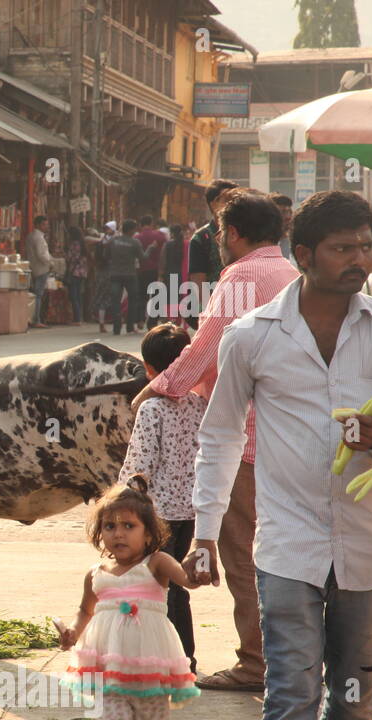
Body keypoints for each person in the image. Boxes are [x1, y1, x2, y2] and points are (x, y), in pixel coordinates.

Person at [189, 190, 372, 720]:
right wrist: (202, 530)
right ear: (304, 256)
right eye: (344, 248)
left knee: (355, 694)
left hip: (370, 541)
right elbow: (219, 436)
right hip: (286, 544)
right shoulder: (252, 336)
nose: (361, 259)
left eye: (367, 246)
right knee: (290, 694)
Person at [134, 189, 298, 693]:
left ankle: (256, 663)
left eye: (220, 232)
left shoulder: (241, 278)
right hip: (290, 438)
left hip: (244, 440)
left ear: (231, 233)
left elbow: (206, 348)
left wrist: (156, 389)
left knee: (244, 557)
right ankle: (293, 660)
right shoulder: (291, 274)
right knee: (285, 554)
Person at [57, 478, 198, 720]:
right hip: (108, 675)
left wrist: (200, 567)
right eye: (110, 525)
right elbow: (85, 612)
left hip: (150, 675)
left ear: (149, 531)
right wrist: (71, 632)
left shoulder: (157, 563)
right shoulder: (96, 573)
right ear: (99, 531)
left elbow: (188, 580)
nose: (118, 533)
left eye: (128, 525)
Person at [119, 324, 203, 672]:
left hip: (159, 515)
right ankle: (184, 657)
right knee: (175, 584)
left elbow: (140, 464)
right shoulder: (199, 403)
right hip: (191, 512)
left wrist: (121, 503)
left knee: (154, 585)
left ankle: (163, 659)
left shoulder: (151, 409)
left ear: (149, 369)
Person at [187, 179, 239, 297]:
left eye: (235, 199)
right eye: (227, 199)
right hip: (214, 308)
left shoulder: (245, 233)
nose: (233, 204)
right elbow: (198, 285)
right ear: (213, 204)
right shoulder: (201, 238)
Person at [106, 220, 148, 335]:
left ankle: (116, 327)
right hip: (130, 274)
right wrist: (151, 248)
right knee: (133, 300)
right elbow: (143, 257)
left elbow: (106, 255)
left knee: (115, 300)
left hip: (115, 274)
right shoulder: (135, 242)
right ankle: (130, 326)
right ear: (130, 230)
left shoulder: (113, 241)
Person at [135, 215, 166, 324]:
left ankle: (140, 320)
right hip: (155, 269)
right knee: (155, 295)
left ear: (140, 225)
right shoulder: (159, 236)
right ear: (152, 224)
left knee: (141, 295)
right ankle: (153, 320)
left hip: (141, 270)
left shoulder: (137, 237)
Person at [160, 224, 191, 329]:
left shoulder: (167, 245)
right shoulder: (187, 244)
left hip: (170, 274)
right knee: (181, 298)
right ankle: (183, 321)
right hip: (183, 275)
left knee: (172, 298)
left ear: (172, 233)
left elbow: (163, 261)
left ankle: (173, 320)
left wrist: (160, 275)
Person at [25, 215, 52, 328]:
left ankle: (33, 318)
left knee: (35, 294)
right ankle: (36, 319)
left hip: (33, 267)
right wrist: (51, 262)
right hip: (41, 268)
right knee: (38, 295)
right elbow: (41, 255)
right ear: (38, 225)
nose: (47, 226)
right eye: (44, 224)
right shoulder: (39, 238)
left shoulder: (31, 236)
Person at [63, 226, 88, 325]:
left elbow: (71, 258)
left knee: (74, 295)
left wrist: (65, 255)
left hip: (74, 272)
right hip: (82, 272)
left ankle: (77, 319)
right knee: (78, 295)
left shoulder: (74, 244)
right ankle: (80, 317)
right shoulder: (83, 244)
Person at [271, 193, 296, 267]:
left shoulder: (296, 244)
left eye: (290, 212)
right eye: (283, 212)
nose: (288, 217)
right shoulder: (261, 246)